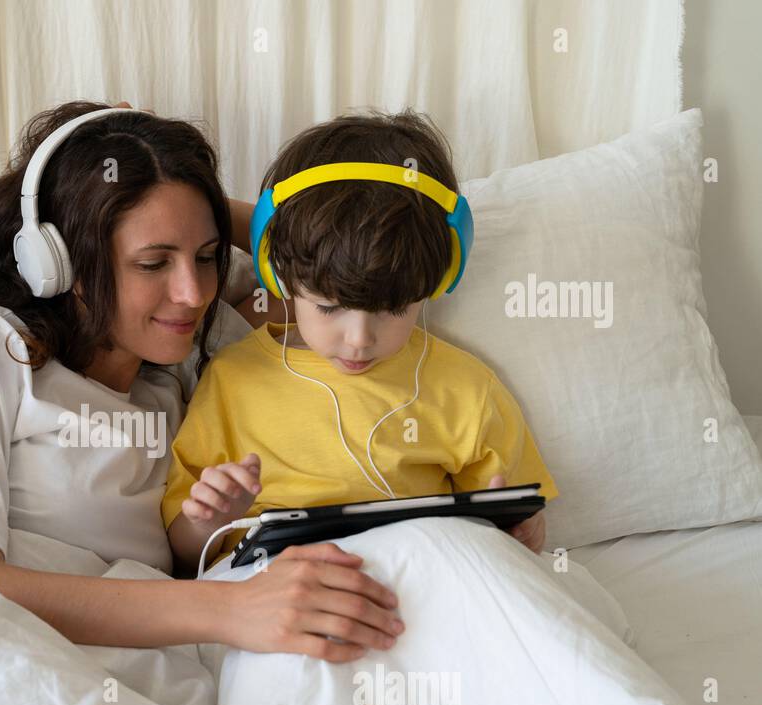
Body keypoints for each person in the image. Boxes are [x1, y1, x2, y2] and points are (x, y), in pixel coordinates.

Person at [0, 101, 403, 663]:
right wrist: (229, 608)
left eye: (206, 256)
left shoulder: (187, 365)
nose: (192, 293)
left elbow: (343, 294)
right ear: (58, 259)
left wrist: (200, 204)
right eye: (153, 262)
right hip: (23, 665)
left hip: (171, 679)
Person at [164, 109, 559, 580]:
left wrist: (523, 532)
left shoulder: (466, 388)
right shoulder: (231, 381)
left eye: (393, 310)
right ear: (278, 275)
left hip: (423, 574)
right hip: (279, 585)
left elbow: (516, 522)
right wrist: (211, 518)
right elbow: (187, 555)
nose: (359, 340)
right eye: (329, 308)